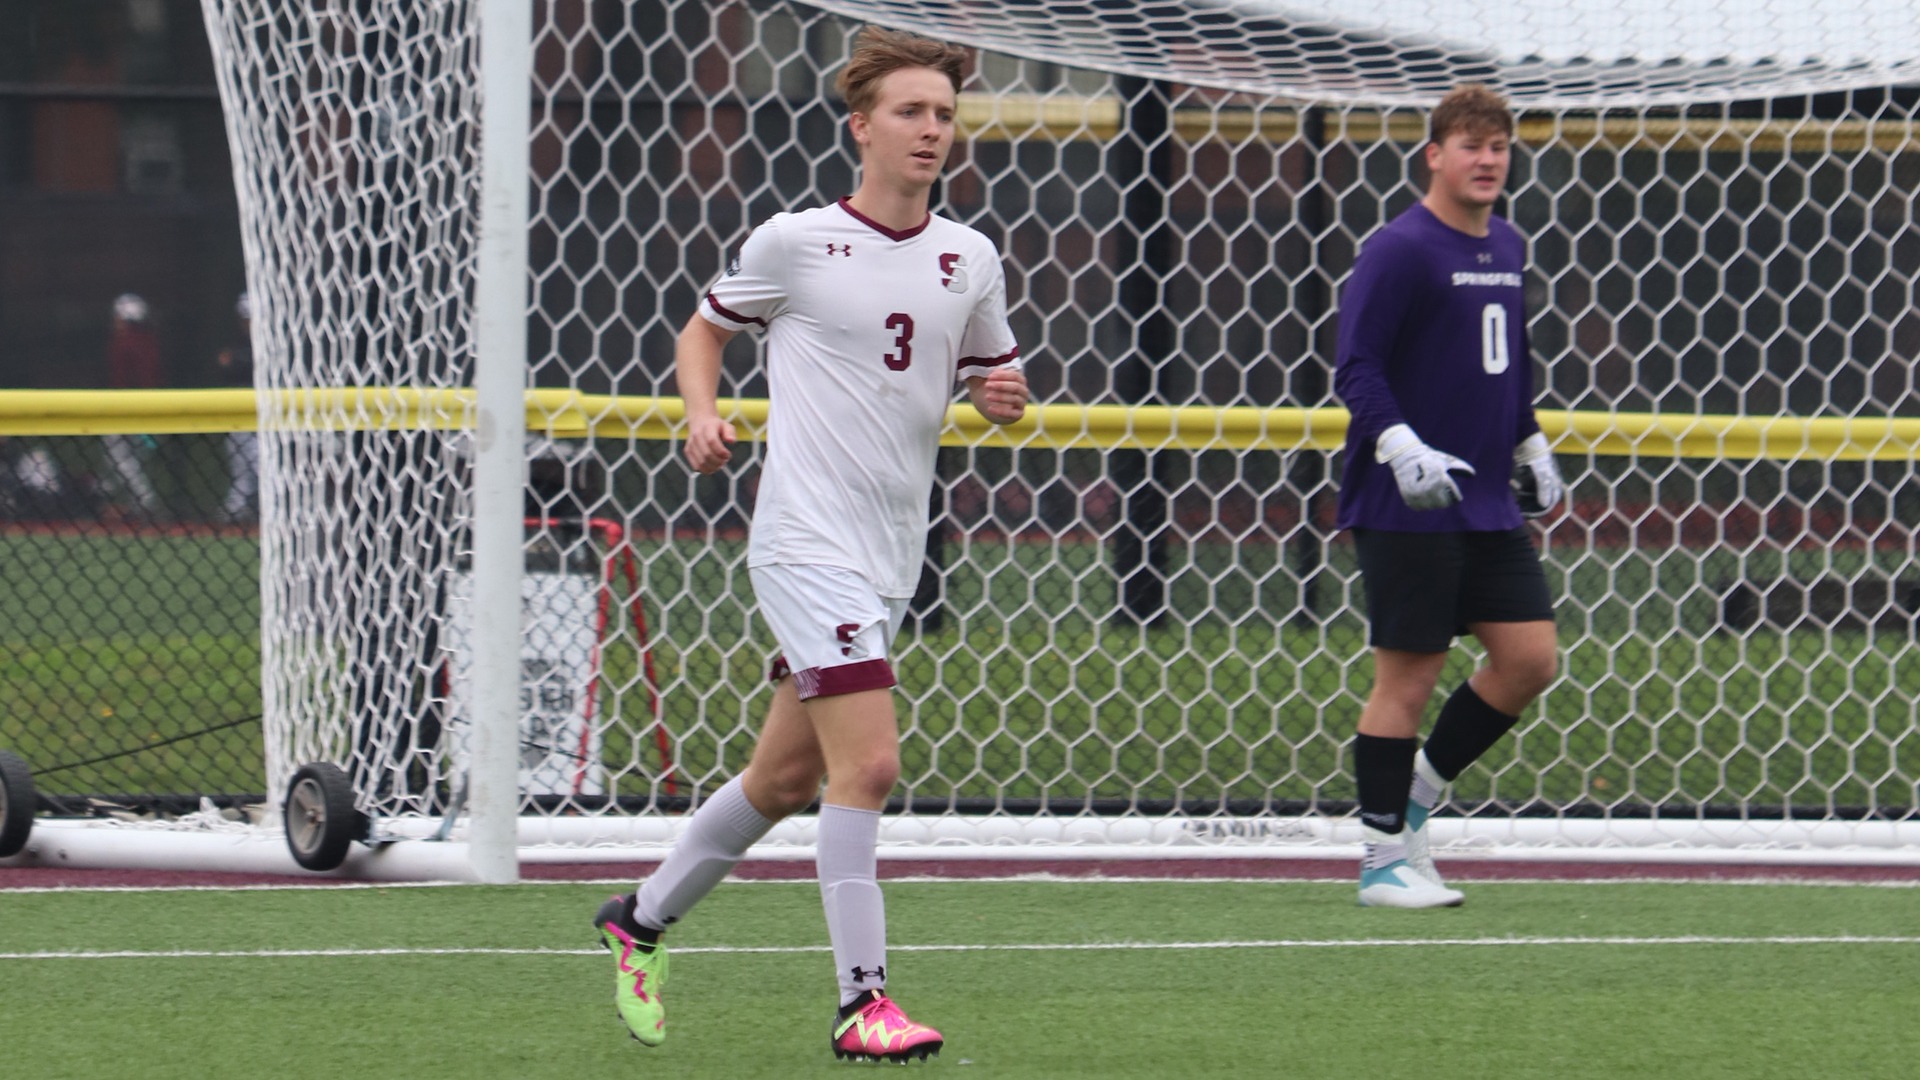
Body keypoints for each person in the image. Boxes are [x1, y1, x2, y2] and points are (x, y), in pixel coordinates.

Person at [590, 26, 1027, 1063]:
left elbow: (987, 378)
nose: (932, 130)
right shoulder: (794, 241)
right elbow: (704, 333)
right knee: (868, 766)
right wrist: (701, 415)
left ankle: (637, 920)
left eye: (944, 115)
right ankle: (861, 1004)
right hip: (802, 542)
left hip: (889, 553)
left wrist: (1001, 398)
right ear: (861, 127)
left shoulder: (971, 258)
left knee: (784, 780)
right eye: (911, 113)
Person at [1331, 83, 1566, 909]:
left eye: (1499, 145)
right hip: (1407, 502)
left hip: (1485, 500)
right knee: (1410, 677)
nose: (1488, 159)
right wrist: (1400, 447)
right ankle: (1380, 862)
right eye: (1471, 145)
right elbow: (1354, 364)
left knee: (1531, 659)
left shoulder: (1506, 243)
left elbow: (1509, 361)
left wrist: (1529, 438)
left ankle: (1416, 800)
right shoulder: (1400, 248)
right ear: (1434, 155)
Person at [104, 293, 163, 513]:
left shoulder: (123, 343)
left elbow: (124, 379)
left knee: (117, 455)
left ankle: (143, 499)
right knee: (135, 457)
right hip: (149, 409)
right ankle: (134, 501)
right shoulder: (150, 341)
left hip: (126, 409)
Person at [215, 292, 259, 522]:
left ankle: (265, 506)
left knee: (260, 460)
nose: (247, 324)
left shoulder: (272, 344)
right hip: (240, 413)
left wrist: (234, 360)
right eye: (245, 319)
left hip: (263, 415)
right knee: (240, 462)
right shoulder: (239, 342)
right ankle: (238, 506)